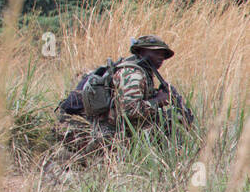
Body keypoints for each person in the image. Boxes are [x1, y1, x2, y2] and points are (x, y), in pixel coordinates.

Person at [56, 34, 194, 160]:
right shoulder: (133, 74)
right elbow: (129, 110)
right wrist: (158, 101)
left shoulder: (143, 72)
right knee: (170, 121)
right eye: (155, 52)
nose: (160, 57)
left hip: (118, 129)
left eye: (163, 54)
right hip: (109, 133)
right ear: (140, 52)